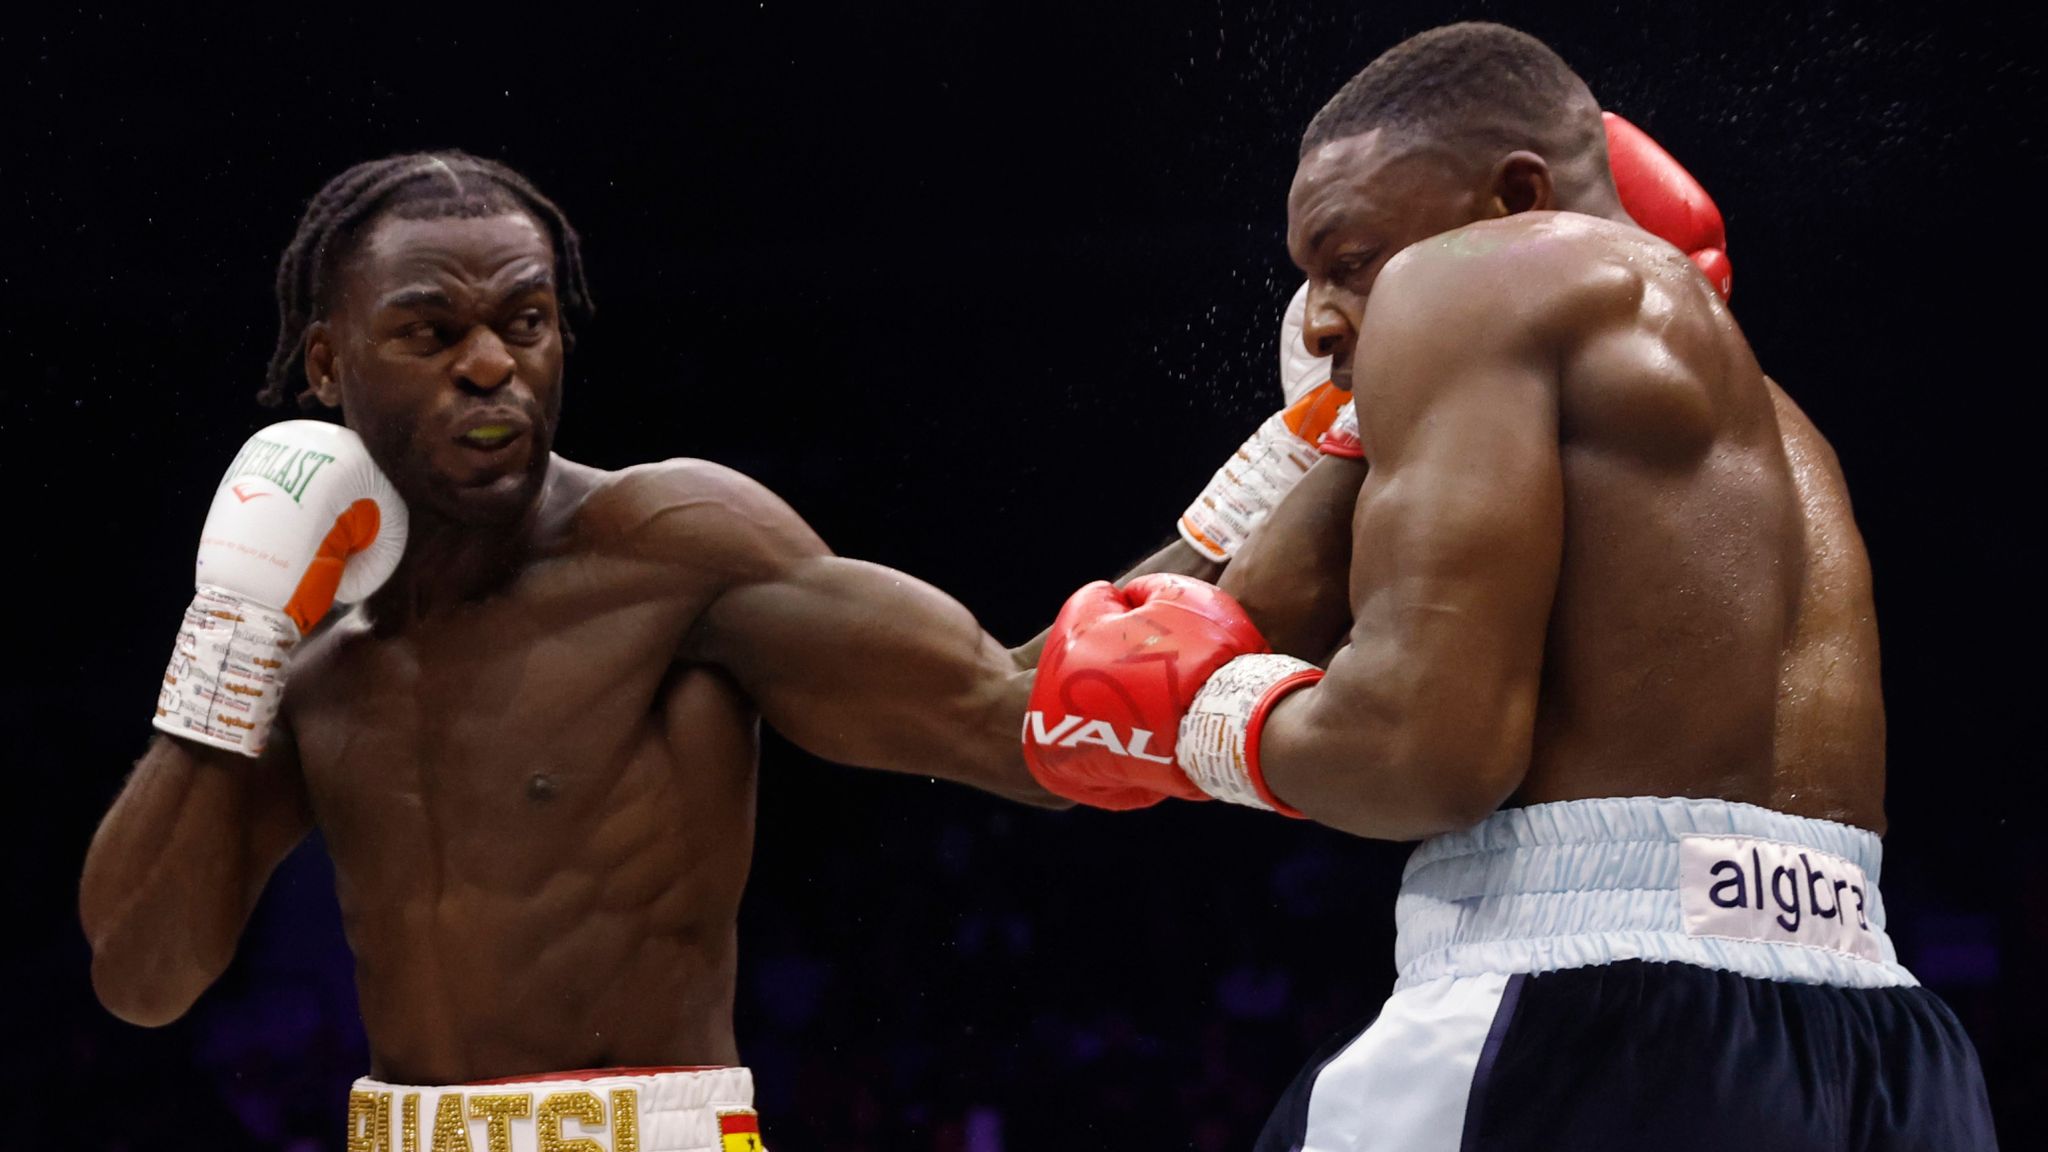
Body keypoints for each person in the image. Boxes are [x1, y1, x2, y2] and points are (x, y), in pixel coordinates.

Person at [1020, 22, 1998, 1150]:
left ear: (1514, 198)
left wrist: (1202, 717)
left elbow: (1416, 757)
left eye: (1346, 260)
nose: (1323, 317)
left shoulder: (1474, 281)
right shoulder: (1782, 433)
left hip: (1583, 1014)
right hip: (1883, 1039)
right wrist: (1303, 456)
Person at [79, 151, 1052, 1151]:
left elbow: (1022, 726)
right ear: (327, 364)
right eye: (432, 331)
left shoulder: (673, 549)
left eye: (525, 321)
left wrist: (1222, 535)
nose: (492, 362)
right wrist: (230, 633)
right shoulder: (313, 657)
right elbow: (142, 978)